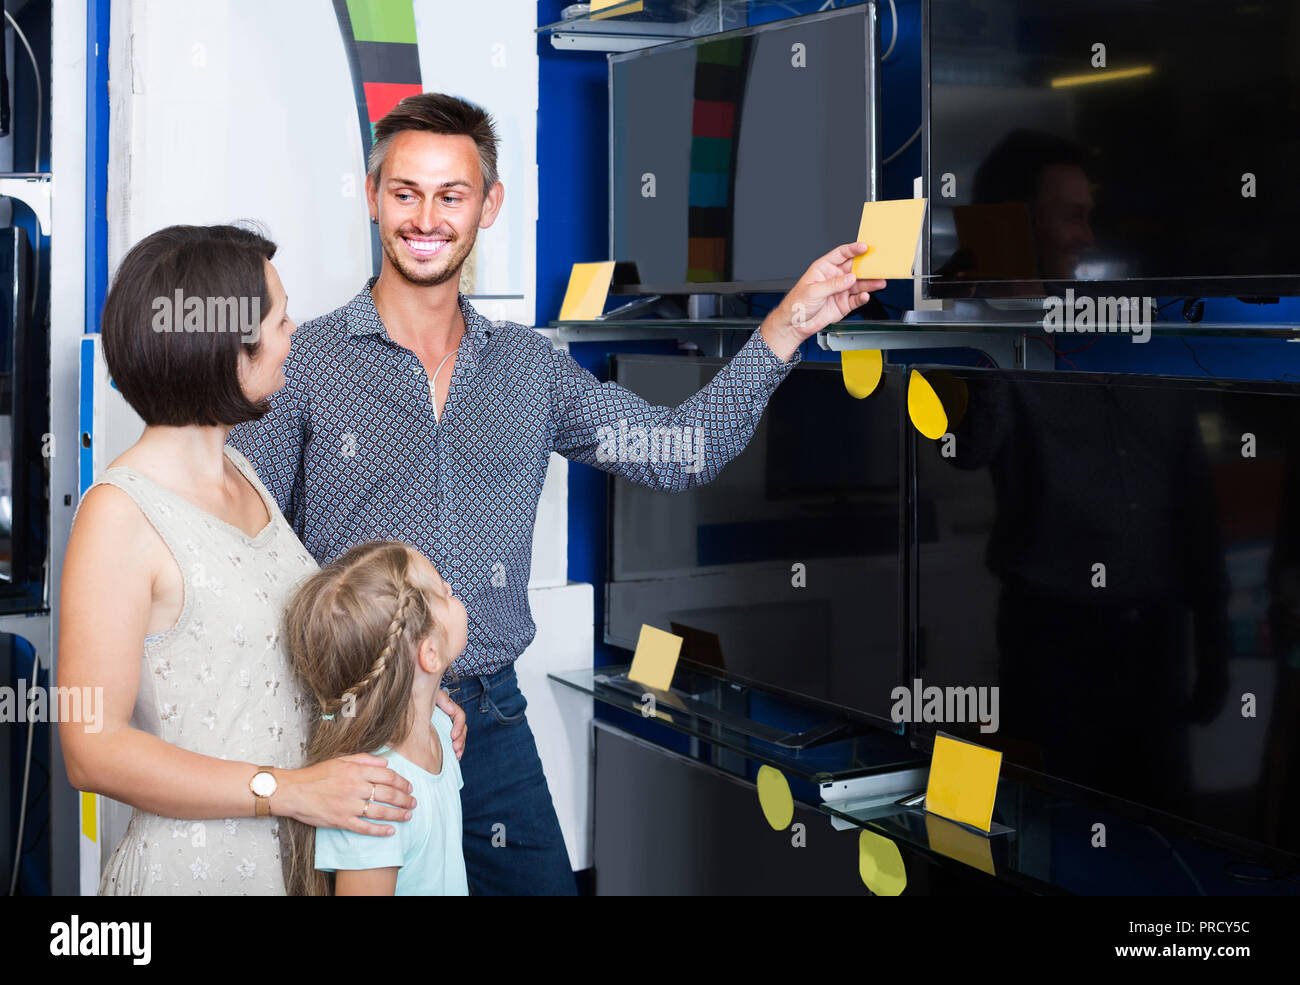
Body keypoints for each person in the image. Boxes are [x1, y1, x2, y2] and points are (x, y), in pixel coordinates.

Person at [228, 92, 886, 895]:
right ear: (372, 197)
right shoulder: (307, 362)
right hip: (349, 721)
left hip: (492, 721)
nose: (426, 218)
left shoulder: (529, 369)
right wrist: (354, 700)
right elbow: (242, 552)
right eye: (405, 192)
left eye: (452, 194)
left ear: (489, 205)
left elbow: (678, 452)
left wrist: (783, 326)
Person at [57, 224, 470, 894]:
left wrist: (407, 693)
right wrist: (287, 790)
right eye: (280, 318)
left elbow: (270, 667)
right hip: (193, 870)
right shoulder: (118, 515)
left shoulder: (242, 472)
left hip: (291, 855)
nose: (293, 333)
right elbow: (91, 748)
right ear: (223, 346)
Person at [281, 541, 469, 896]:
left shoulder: (441, 730)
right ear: (430, 653)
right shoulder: (374, 797)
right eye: (442, 591)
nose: (450, 588)